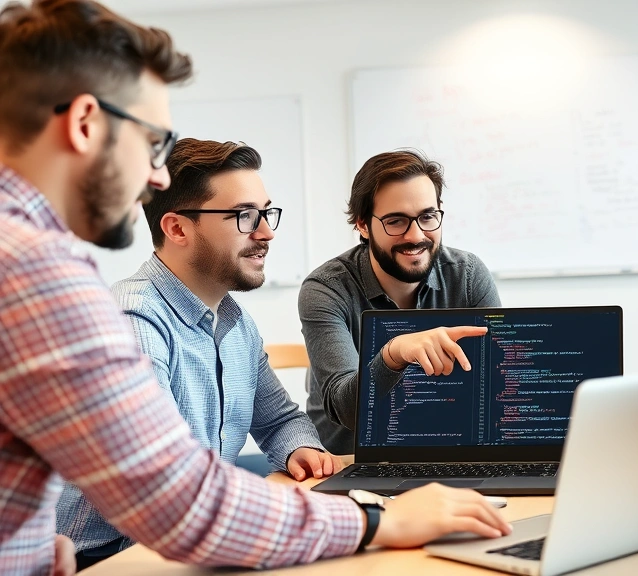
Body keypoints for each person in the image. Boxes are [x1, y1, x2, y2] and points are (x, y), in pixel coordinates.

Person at [0, 2, 509, 574]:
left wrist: (29, 547)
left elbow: (273, 418)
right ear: (86, 123)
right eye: (151, 144)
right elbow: (180, 501)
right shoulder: (49, 279)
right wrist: (382, 521)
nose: (157, 176)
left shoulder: (230, 319)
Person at [55, 138, 339, 565]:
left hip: (178, 544)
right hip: (107, 557)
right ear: (177, 228)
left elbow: (279, 419)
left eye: (265, 213)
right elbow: (163, 487)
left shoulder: (235, 322)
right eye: (245, 216)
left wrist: (302, 450)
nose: (266, 231)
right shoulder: (134, 321)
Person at [300, 150, 501, 454]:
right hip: (350, 461)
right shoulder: (326, 289)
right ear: (363, 225)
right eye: (396, 221)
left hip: (450, 453)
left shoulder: (468, 276)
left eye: (427, 216)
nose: (416, 235)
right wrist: (394, 355)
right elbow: (346, 409)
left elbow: (500, 381)